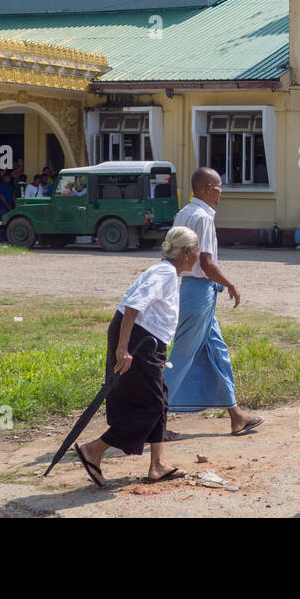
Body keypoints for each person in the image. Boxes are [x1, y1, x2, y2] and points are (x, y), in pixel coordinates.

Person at [74, 226, 199, 486]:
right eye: (196, 250)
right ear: (186, 252)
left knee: (160, 399)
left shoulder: (167, 272)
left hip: (146, 342)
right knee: (151, 405)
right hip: (136, 341)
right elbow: (133, 307)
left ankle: (158, 465)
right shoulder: (164, 273)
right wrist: (123, 348)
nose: (198, 255)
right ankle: (94, 450)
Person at [162, 167, 263, 436]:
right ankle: (150, 419)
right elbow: (205, 263)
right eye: (218, 186)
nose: (221, 191)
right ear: (208, 188)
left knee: (218, 353)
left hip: (190, 289)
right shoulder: (203, 218)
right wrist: (229, 284)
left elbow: (174, 258)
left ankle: (236, 416)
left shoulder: (183, 213)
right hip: (199, 292)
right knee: (182, 357)